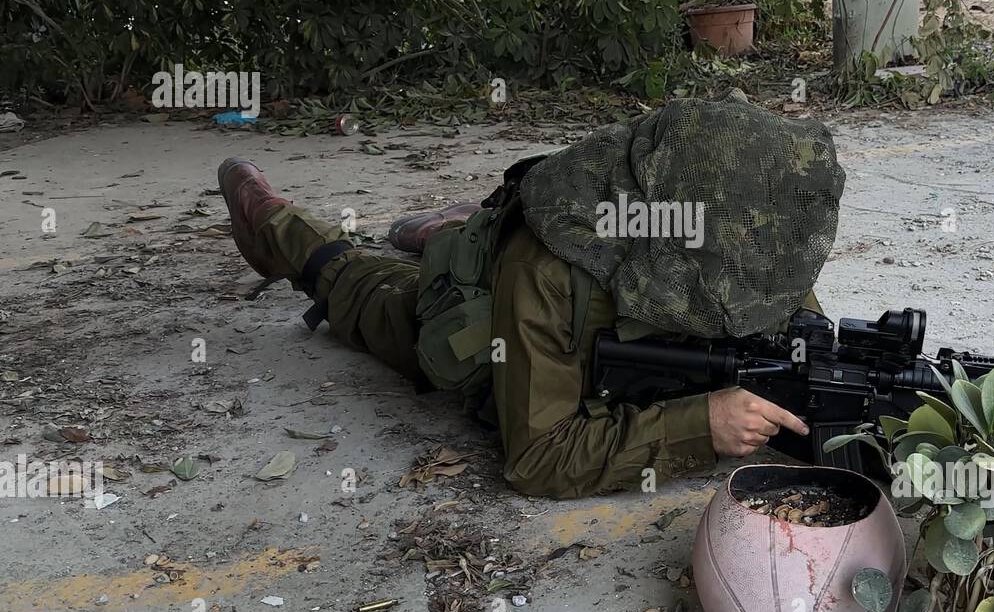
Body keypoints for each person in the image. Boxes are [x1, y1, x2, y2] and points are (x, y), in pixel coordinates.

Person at [216, 98, 845, 498]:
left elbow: (792, 327)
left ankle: (445, 229)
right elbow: (538, 457)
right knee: (374, 296)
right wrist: (698, 425)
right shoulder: (547, 272)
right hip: (489, 313)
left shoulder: (753, 238)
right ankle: (278, 224)